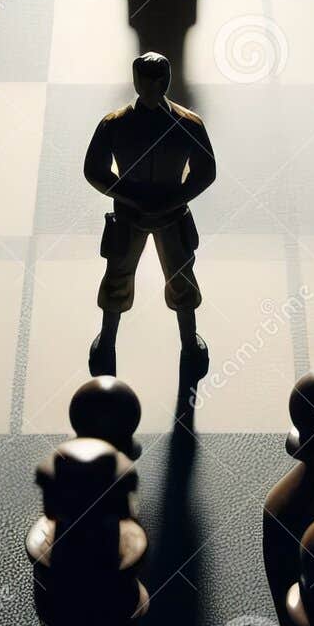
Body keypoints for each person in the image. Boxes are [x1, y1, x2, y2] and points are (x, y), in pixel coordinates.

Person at [83, 52, 216, 382]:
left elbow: (206, 171)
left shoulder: (188, 124)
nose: (153, 87)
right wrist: (135, 199)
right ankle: (108, 342)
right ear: (135, 80)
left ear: (168, 81)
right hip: (132, 216)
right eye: (147, 79)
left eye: (160, 79)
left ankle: (188, 343)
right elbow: (93, 170)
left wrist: (170, 200)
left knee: (182, 277)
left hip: (169, 216)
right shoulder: (115, 124)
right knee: (117, 277)